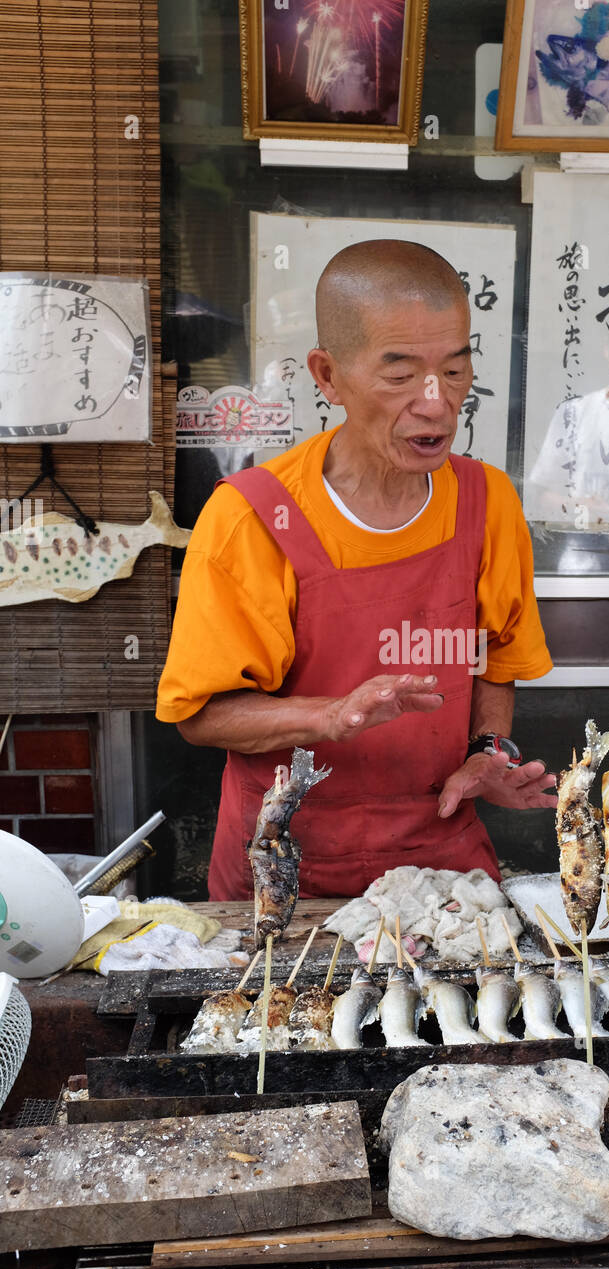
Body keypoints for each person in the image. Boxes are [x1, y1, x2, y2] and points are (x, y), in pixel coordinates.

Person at [156, 240, 555, 899]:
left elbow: (497, 662)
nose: (436, 403)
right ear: (328, 375)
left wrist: (489, 752)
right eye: (399, 376)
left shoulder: (488, 504)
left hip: (438, 860)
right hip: (284, 864)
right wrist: (330, 715)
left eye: (455, 371)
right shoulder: (254, 517)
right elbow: (202, 714)